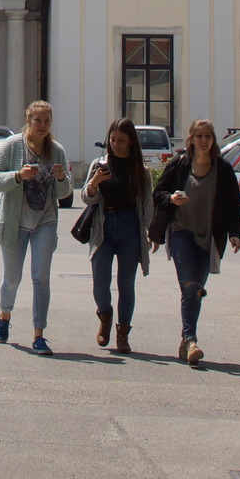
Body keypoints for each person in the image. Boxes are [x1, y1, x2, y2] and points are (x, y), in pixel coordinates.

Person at [149, 118, 240, 365]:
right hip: (181, 232)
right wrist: (171, 199)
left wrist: (234, 233)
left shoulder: (223, 169)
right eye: (199, 136)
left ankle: (185, 340)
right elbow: (157, 193)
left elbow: (233, 204)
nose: (203, 141)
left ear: (213, 141)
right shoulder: (179, 165)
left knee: (196, 291)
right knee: (189, 286)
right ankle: (191, 340)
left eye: (207, 137)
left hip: (209, 236)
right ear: (190, 140)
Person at [0, 100, 70, 355]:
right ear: (28, 120)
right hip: (15, 221)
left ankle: (39, 334)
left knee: (41, 277)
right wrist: (17, 176)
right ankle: (4, 316)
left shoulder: (56, 150)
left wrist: (60, 178)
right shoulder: (12, 146)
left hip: (44, 220)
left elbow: (65, 193)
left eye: (47, 121)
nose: (43, 126)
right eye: (38, 121)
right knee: (12, 279)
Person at [82, 117, 153, 354]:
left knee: (126, 285)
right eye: (113, 140)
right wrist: (93, 185)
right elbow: (86, 197)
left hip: (130, 227)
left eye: (121, 140)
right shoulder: (99, 165)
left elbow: (147, 205)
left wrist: (150, 232)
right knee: (100, 281)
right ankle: (105, 316)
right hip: (104, 226)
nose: (116, 145)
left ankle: (123, 333)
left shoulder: (140, 170)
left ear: (131, 141)